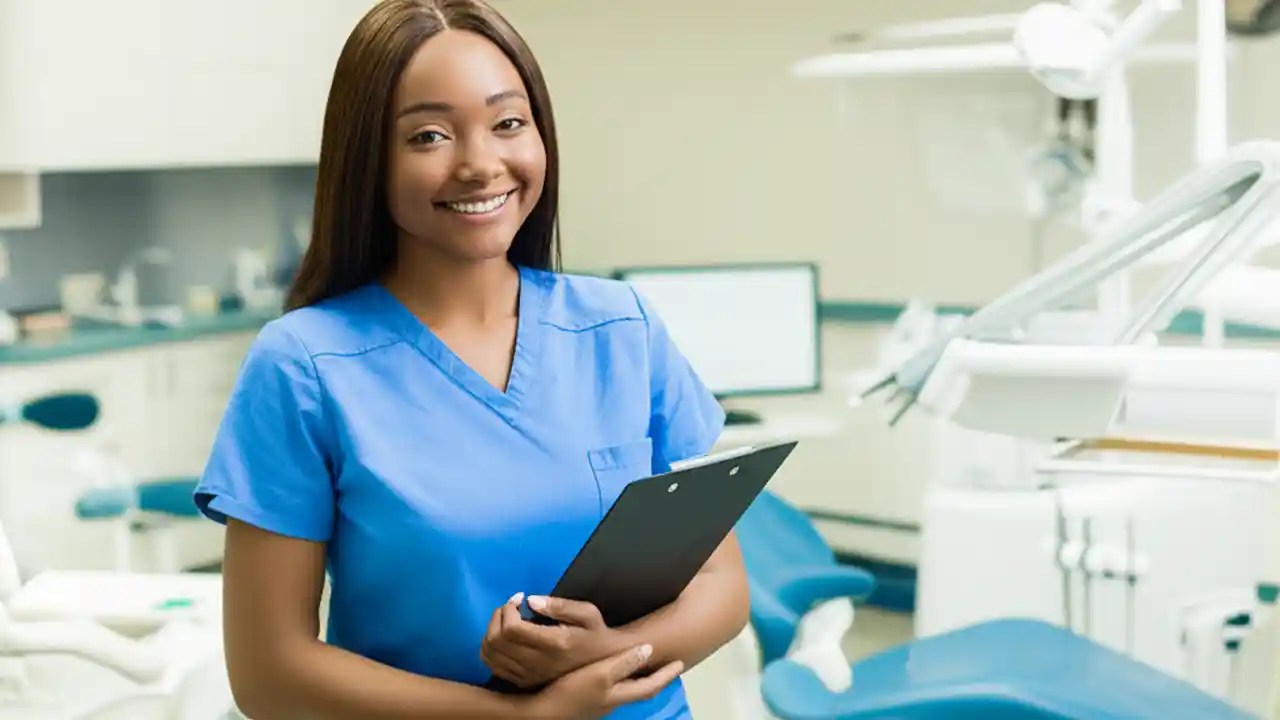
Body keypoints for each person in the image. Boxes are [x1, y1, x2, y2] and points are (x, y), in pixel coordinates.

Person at [192, 1, 750, 718]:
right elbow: (269, 673)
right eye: (428, 134)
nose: (481, 163)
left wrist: (606, 652)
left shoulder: (622, 328)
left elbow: (724, 585)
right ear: (368, 158)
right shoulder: (304, 365)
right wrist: (521, 717)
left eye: (508, 123)